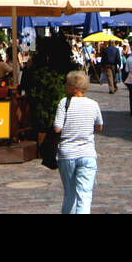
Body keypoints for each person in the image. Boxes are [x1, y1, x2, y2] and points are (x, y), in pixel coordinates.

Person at [53, 70, 104, 214]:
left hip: (67, 153)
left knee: (70, 194)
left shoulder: (64, 102)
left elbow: (57, 128)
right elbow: (99, 126)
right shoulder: (93, 104)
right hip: (87, 153)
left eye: (67, 84)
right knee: (85, 195)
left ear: (74, 87)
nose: (65, 86)